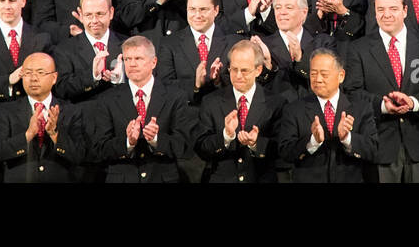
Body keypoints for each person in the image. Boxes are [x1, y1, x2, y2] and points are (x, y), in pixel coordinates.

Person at [343, 0, 419, 182]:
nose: (386, 15)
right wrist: (382, 105)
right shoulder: (359, 48)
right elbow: (352, 92)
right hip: (379, 144)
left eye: (393, 9)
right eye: (380, 10)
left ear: (405, 10)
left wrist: (414, 102)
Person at [90, 34, 195, 182]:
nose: (132, 64)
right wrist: (128, 142)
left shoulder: (175, 97)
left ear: (153, 62)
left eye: (138, 59)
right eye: (127, 59)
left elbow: (184, 146)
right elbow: (99, 149)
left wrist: (156, 140)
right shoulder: (107, 99)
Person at [277, 48, 377, 182]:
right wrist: (313, 141)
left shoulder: (361, 108)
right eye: (313, 74)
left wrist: (347, 138)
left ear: (341, 76)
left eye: (324, 74)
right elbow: (285, 152)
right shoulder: (294, 109)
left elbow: (372, 149)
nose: (318, 79)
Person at [0, 51, 88, 183]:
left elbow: (79, 156)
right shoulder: (6, 111)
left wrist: (55, 134)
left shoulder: (71, 111)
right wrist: (28, 134)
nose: (33, 78)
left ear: (54, 78)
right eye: (28, 73)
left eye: (40, 73)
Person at [197, 37, 286, 182]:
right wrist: (225, 136)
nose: (238, 76)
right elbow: (201, 148)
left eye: (244, 70)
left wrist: (256, 143)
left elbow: (282, 149)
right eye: (234, 69)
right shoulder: (211, 101)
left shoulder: (276, 103)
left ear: (258, 70)